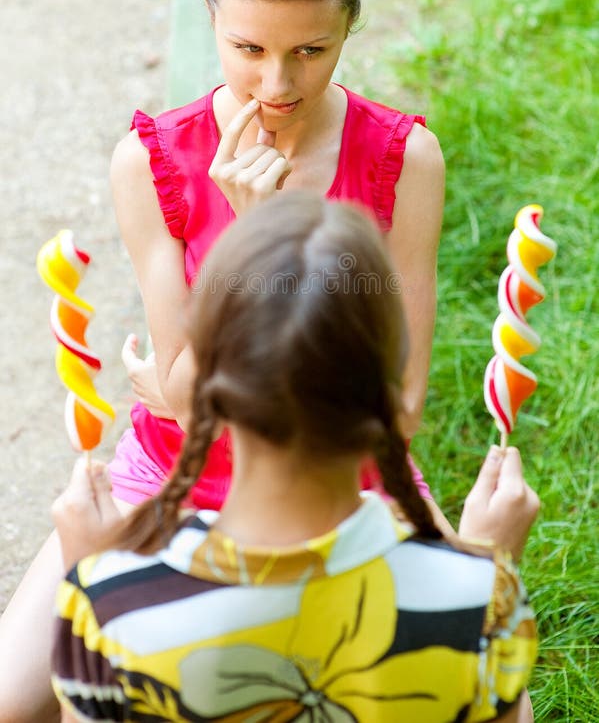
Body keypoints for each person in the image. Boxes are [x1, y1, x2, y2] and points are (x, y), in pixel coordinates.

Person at [0, 0, 445, 721]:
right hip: (175, 472)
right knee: (14, 699)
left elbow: (399, 410)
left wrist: (266, 235)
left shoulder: (403, 160)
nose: (277, 83)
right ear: (209, 18)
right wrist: (209, 360)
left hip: (339, 479)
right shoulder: (152, 162)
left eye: (312, 50)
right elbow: (188, 395)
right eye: (247, 48)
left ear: (349, 24)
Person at [51, 193, 539, 723]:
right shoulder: (473, 596)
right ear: (391, 385)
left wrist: (89, 581)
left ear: (207, 386)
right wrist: (491, 565)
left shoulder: (119, 605)